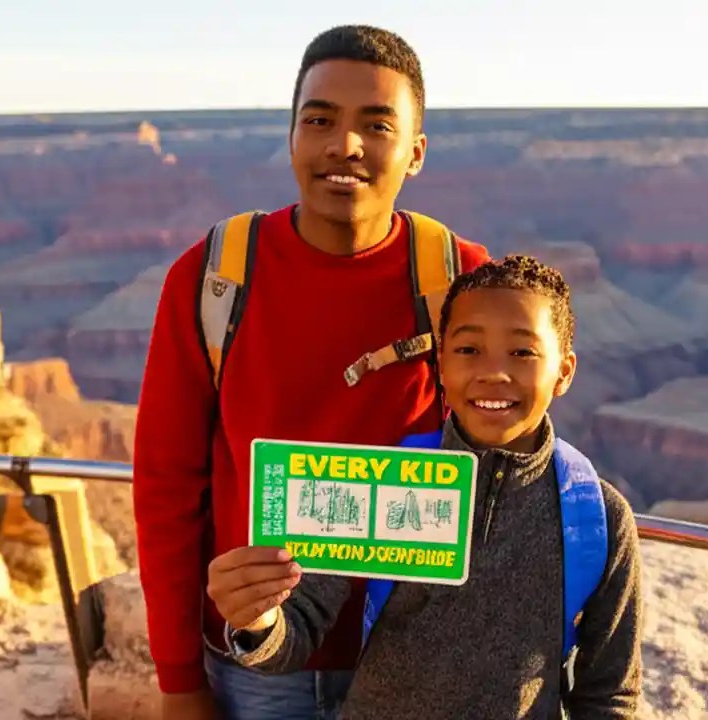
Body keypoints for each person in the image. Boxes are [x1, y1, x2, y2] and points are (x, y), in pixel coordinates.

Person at [132, 24, 492, 720]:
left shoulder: (460, 279)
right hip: (257, 663)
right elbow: (167, 486)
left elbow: (511, 468)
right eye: (320, 120)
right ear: (293, 136)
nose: (344, 146)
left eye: (376, 125)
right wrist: (178, 680)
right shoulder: (212, 277)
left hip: (412, 659)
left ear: (415, 152)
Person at [206, 255, 644, 719]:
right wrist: (258, 618)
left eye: (523, 352)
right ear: (440, 365)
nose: (494, 372)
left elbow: (608, 695)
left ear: (565, 371)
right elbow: (296, 635)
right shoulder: (381, 483)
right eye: (469, 350)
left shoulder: (597, 518)